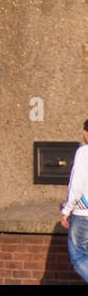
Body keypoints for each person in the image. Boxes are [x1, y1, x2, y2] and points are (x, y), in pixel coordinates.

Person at [60, 119, 88, 283]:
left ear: (86, 132)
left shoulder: (84, 152)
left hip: (84, 213)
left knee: (78, 256)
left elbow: (77, 184)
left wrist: (66, 210)